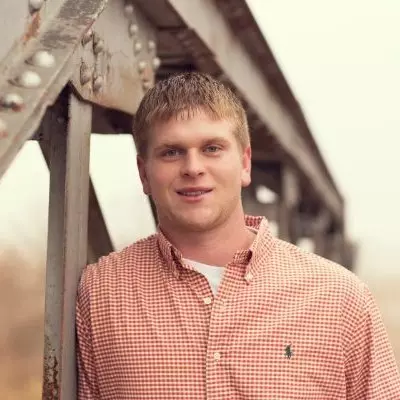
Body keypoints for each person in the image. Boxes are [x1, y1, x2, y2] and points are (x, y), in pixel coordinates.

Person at [76, 72, 400, 399]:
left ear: (245, 164)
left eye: (212, 148)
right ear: (144, 173)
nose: (193, 167)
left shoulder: (340, 297)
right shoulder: (100, 291)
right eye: (171, 152)